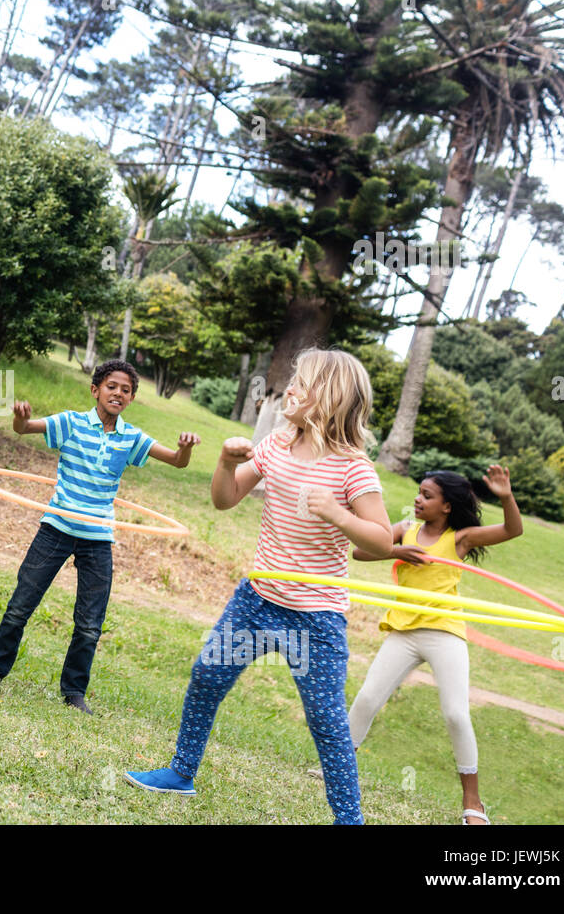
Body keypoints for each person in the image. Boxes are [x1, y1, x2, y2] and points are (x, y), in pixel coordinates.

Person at [125, 348, 392, 825]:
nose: (288, 388)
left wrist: (337, 512)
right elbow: (225, 500)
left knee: (327, 722)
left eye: (300, 383)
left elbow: (382, 538)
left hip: (315, 616)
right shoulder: (276, 445)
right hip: (257, 598)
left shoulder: (354, 468)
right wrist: (226, 464)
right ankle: (181, 772)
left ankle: (349, 820)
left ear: (329, 397)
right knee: (207, 678)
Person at [0, 359, 200, 714]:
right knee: (20, 605)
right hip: (56, 527)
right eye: (112, 386)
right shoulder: (71, 422)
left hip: (98, 536)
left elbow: (178, 461)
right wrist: (21, 416)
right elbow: (25, 428)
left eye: (126, 390)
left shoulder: (131, 438)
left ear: (131, 398)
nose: (118, 393)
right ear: (95, 389)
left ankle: (73, 693)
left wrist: (187, 447)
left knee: (89, 623)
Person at [347, 466, 522, 826]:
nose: (418, 499)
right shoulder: (404, 529)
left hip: (443, 633)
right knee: (366, 698)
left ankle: (473, 802)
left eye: (427, 495)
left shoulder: (461, 538)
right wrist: (397, 551)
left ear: (446, 506)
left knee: (456, 714)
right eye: (419, 492)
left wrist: (505, 496)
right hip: (404, 630)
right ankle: (339, 769)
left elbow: (511, 530)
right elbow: (360, 553)